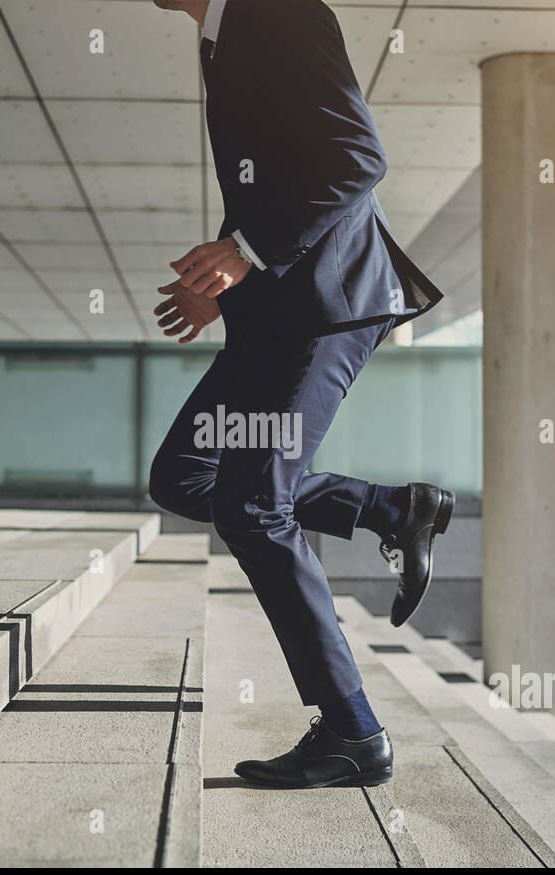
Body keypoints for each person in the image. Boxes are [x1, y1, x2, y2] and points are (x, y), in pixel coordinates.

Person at [148, 0, 452, 788]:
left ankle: (354, 731)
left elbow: (356, 159)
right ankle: (392, 509)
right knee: (184, 476)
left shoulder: (281, 11)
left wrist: (246, 252)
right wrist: (230, 277)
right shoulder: (223, 40)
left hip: (326, 307)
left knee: (252, 505)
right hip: (275, 313)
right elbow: (279, 172)